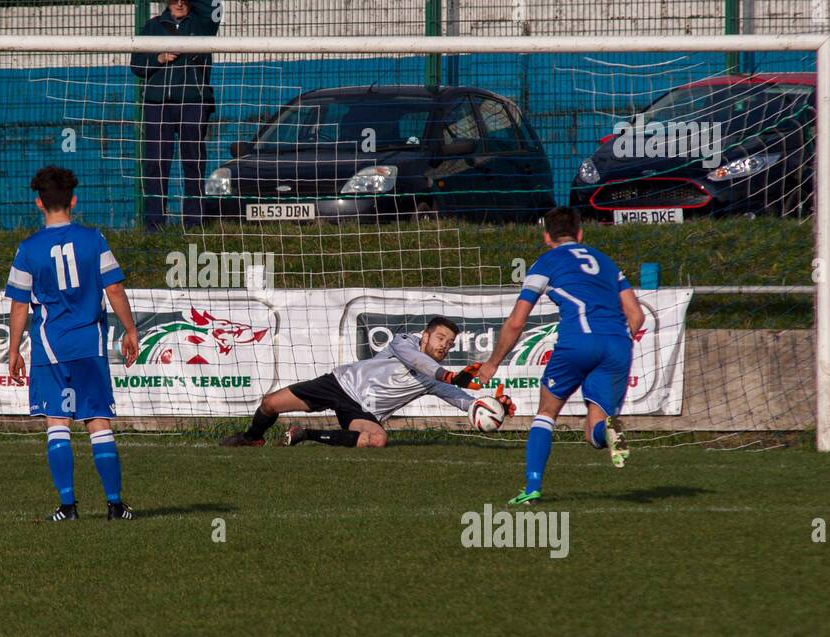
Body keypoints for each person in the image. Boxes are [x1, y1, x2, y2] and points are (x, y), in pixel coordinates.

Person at [471, 206, 643, 505]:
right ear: (580, 233)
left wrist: (492, 363)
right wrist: (615, 341)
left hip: (578, 341)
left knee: (546, 413)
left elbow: (516, 322)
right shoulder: (606, 262)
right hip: (617, 344)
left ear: (546, 237)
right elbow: (636, 315)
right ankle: (608, 430)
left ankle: (532, 487)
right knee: (593, 434)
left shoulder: (546, 262)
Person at [5, 166, 142, 521]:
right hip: (88, 345)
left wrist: (14, 349)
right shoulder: (93, 239)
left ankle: (67, 507)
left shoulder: (28, 249)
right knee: (97, 421)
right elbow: (113, 288)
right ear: (74, 201)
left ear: (38, 203)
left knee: (57, 423)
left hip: (49, 348)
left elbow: (20, 304)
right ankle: (114, 504)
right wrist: (130, 330)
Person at [219, 316, 513, 449]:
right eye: (440, 338)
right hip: (338, 384)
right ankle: (252, 438)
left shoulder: (434, 377)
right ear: (425, 335)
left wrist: (489, 406)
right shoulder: (404, 342)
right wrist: (447, 375)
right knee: (270, 403)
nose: (444, 346)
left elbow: (460, 398)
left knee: (376, 440)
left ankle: (304, 434)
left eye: (449, 344)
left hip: (363, 413)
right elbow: (419, 363)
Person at [130, 0, 221, 231]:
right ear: (166, 0)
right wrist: (158, 59)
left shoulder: (203, 25)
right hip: (158, 105)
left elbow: (214, 3)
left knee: (193, 163)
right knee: (156, 164)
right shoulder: (151, 27)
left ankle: (193, 224)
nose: (180, 3)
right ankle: (154, 225)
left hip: (194, 103)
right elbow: (135, 65)